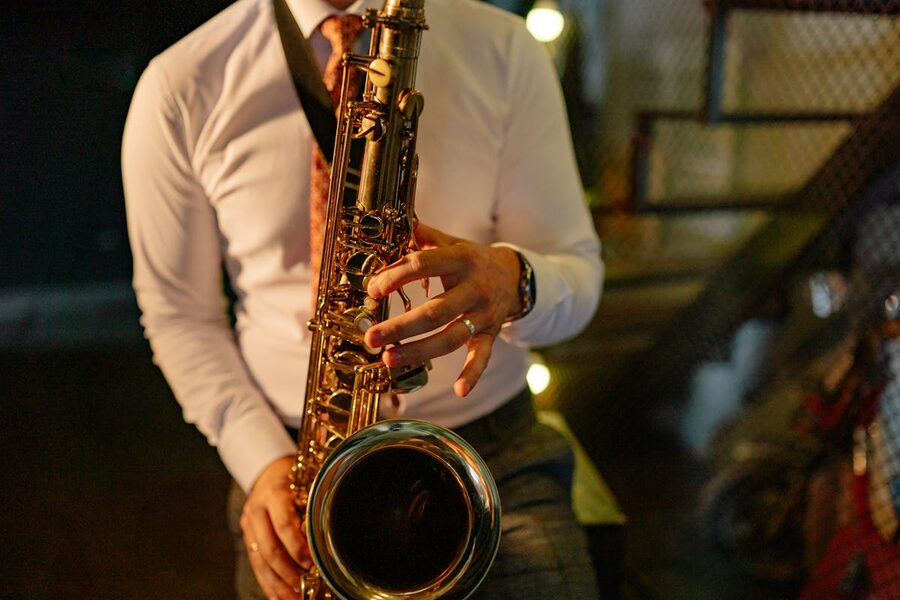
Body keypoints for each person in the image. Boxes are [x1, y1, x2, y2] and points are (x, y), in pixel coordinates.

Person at [122, 0, 604, 598]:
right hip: (295, 459)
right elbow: (179, 316)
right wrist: (260, 462)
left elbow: (579, 276)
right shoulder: (181, 84)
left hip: (487, 452)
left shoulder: (505, 49)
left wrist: (517, 282)